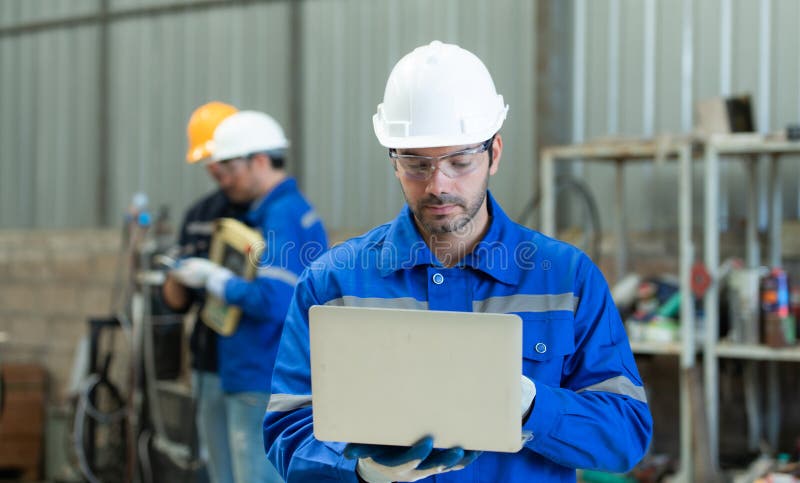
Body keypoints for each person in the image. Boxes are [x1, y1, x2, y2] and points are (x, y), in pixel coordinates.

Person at [263, 41, 653, 482]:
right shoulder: (333, 282)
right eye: (416, 165)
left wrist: (531, 405)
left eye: (460, 161)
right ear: (394, 162)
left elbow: (625, 434)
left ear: (494, 153)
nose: (438, 185)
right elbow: (287, 430)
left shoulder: (566, 279)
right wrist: (360, 470)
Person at [170, 109, 328, 483]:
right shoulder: (280, 212)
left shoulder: (281, 217)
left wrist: (216, 280)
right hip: (253, 373)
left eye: (229, 168)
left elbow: (274, 301)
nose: (223, 180)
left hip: (260, 376)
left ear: (259, 161)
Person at [161, 101, 249, 483]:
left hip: (255, 366)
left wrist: (220, 280)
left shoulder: (266, 215)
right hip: (208, 363)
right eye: (209, 162)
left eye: (220, 160)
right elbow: (174, 303)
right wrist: (178, 277)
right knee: (217, 469)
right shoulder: (199, 215)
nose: (215, 169)